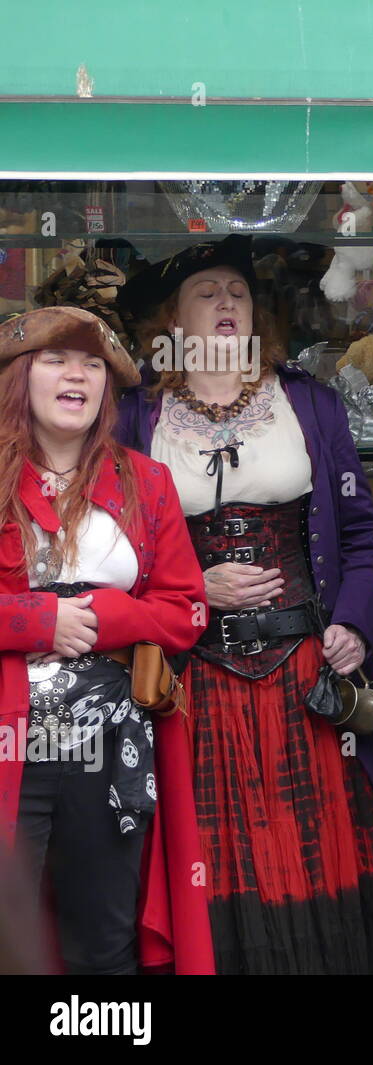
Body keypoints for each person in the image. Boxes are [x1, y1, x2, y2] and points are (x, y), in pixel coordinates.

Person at [115, 235, 373, 974]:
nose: (227, 302)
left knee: (323, 850)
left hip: (307, 673)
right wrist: (195, 583)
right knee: (217, 857)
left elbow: (359, 534)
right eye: (207, 292)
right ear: (172, 319)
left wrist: (355, 622)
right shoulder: (137, 415)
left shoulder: (309, 403)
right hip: (196, 680)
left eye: (238, 291)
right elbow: (114, 547)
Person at [0, 306, 208, 974]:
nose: (77, 375)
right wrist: (38, 623)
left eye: (93, 364)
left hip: (111, 754)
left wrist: (116, 617)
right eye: (57, 358)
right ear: (20, 376)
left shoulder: (148, 482)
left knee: (105, 941)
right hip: (10, 745)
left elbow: (188, 611)